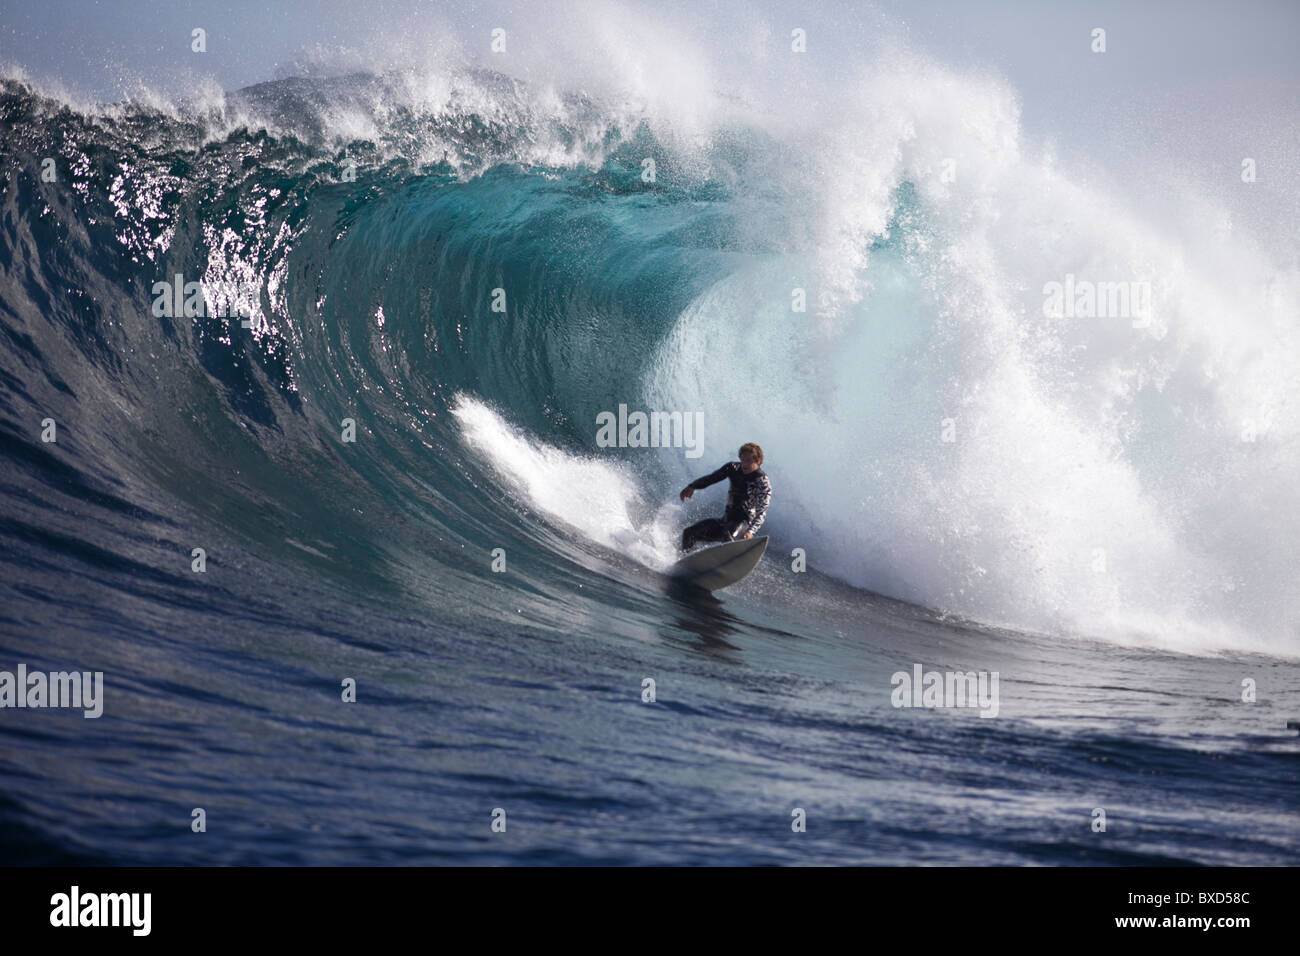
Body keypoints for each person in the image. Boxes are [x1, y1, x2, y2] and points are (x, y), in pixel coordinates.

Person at [678, 442, 772, 550]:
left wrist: (750, 532)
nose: (744, 464)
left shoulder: (762, 482)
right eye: (742, 460)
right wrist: (692, 486)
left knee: (728, 535)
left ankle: (734, 562)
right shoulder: (733, 468)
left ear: (758, 462)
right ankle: (689, 560)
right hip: (725, 521)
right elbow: (712, 478)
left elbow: (762, 511)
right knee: (689, 533)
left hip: (744, 523)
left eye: (749, 461)